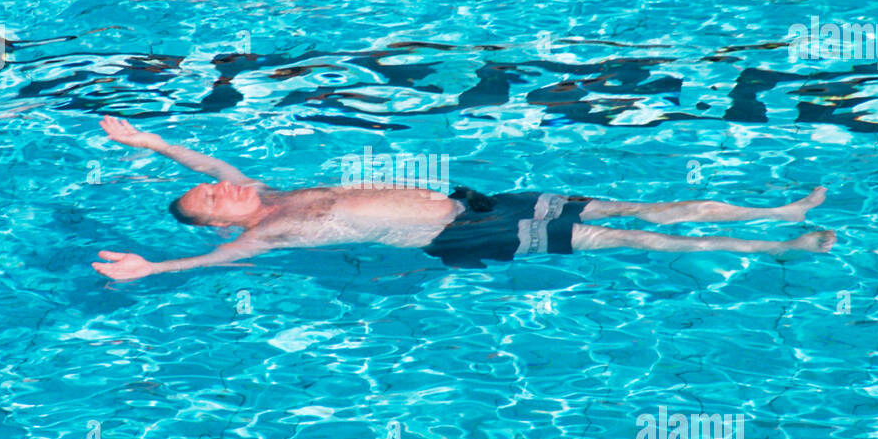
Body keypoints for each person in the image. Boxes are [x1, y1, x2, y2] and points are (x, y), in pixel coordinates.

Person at [91, 116, 835, 281]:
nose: (222, 181)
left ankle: (783, 211)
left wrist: (155, 146)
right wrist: (154, 269)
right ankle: (784, 246)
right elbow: (225, 258)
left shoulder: (276, 191)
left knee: (646, 207)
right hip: (475, 239)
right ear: (220, 215)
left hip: (484, 203)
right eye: (213, 192)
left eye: (214, 181)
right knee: (646, 239)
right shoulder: (272, 231)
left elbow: (212, 156)